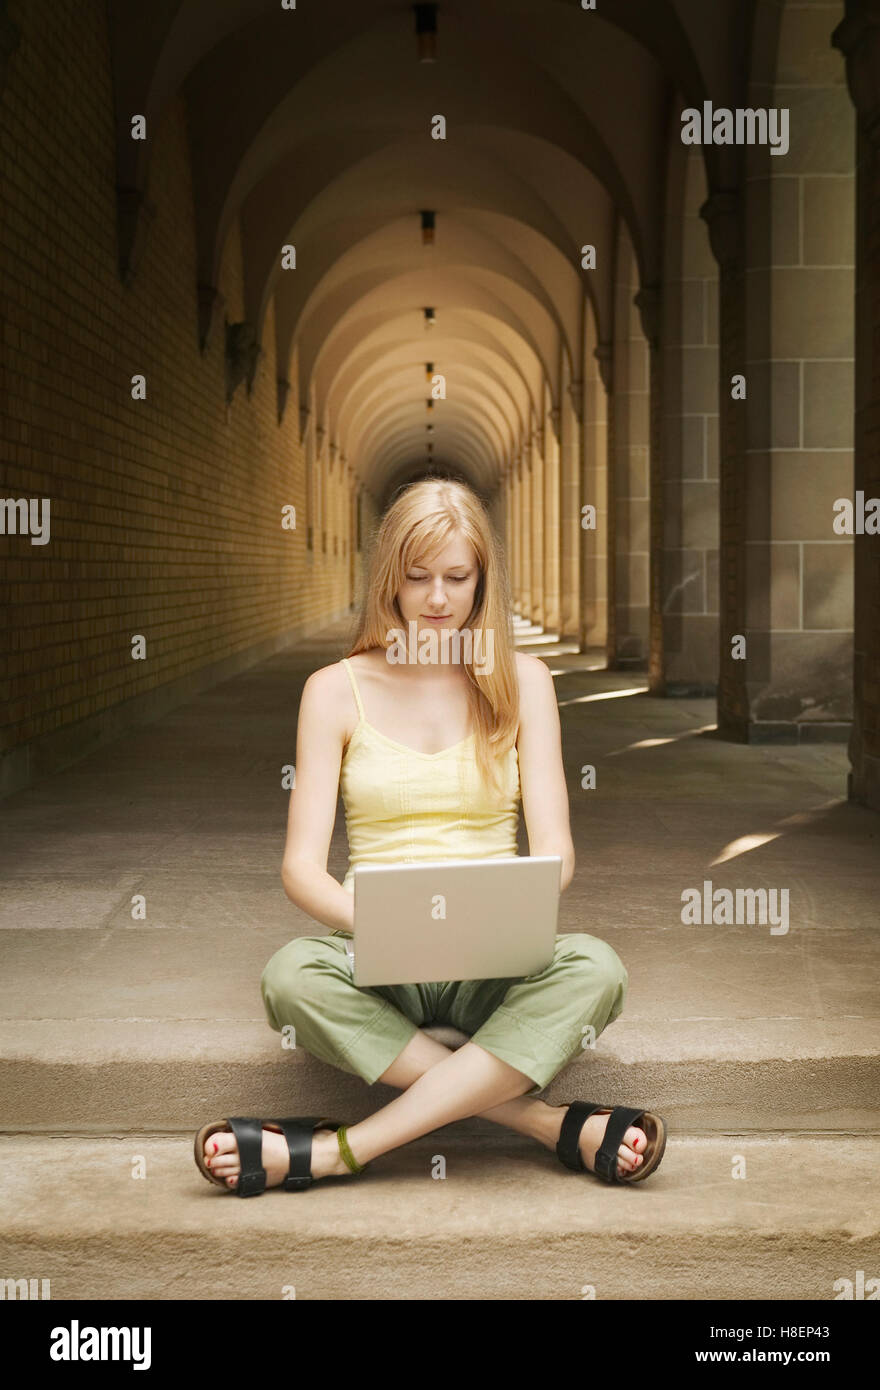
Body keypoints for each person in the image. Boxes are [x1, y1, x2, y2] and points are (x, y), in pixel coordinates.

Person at [194, 478, 666, 1194]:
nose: (437, 598)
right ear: (390, 577)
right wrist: (389, 923)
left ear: (482, 580)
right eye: (417, 578)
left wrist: (496, 911)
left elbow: (556, 853)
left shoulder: (525, 681)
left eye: (456, 577)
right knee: (291, 977)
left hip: (493, 956)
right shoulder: (334, 689)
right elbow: (301, 868)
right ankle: (545, 1123)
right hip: (378, 949)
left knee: (596, 967)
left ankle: (336, 1150)